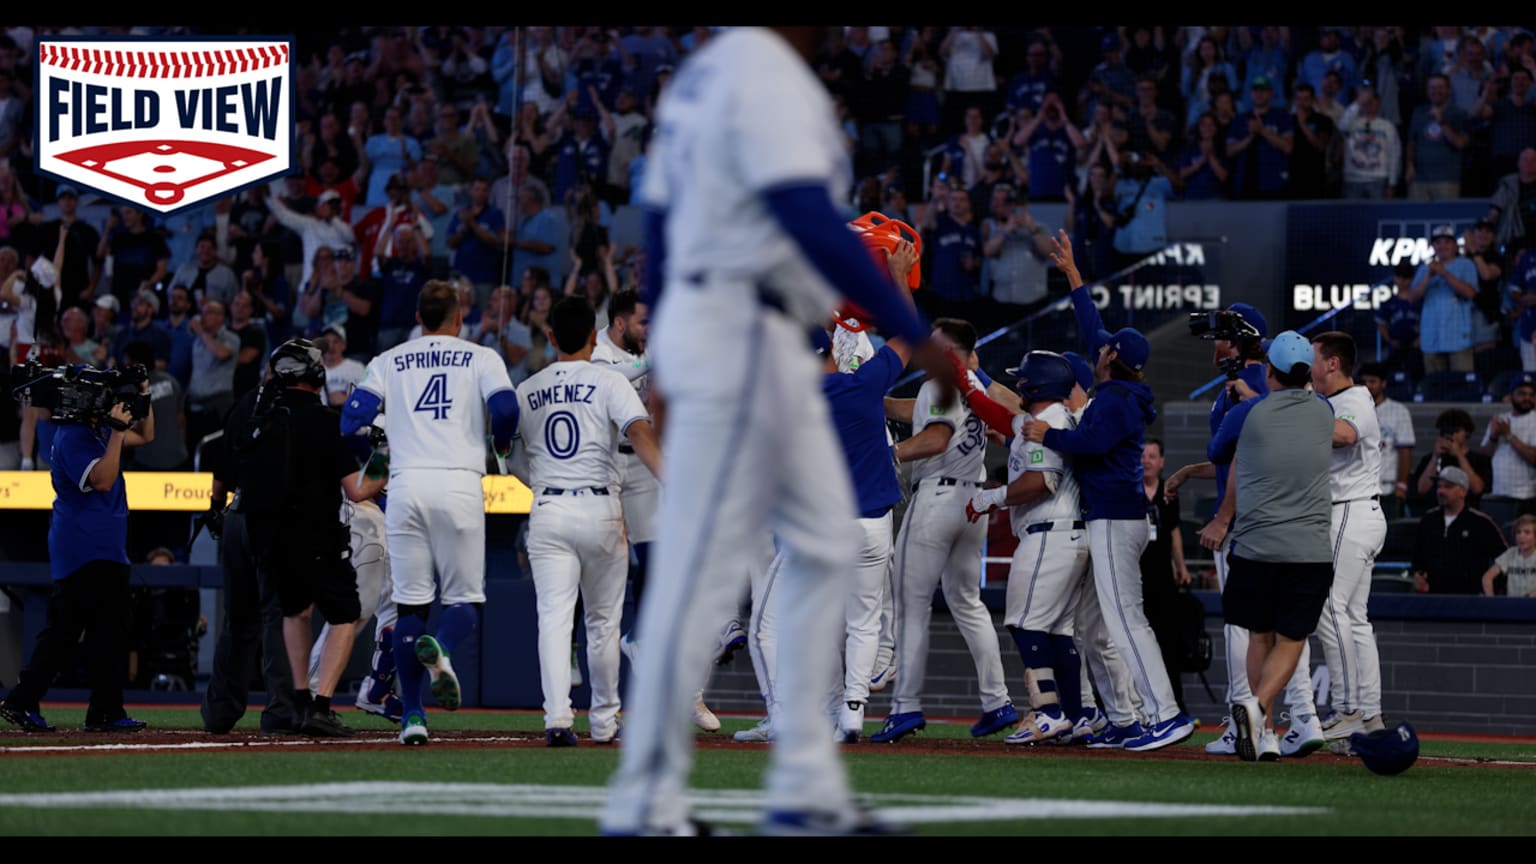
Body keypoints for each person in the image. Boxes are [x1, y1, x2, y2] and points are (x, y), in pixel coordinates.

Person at [601, 26, 933, 837]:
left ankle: (803, 786)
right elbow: (811, 223)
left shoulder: (702, 88)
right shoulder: (766, 79)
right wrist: (899, 310)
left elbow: (664, 225)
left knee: (815, 542)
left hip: (726, 325)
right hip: (741, 333)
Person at [1012, 230, 1195, 751]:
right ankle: (1122, 718)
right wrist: (1072, 273)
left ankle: (1164, 715)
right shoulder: (1117, 380)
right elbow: (1091, 323)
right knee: (1096, 625)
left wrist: (1049, 434)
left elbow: (1089, 442)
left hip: (1116, 519)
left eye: (1105, 347)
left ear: (1112, 358)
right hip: (1111, 518)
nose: (1099, 345)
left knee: (1125, 620)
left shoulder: (1116, 398)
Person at [341, 280, 520, 746]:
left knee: (409, 606)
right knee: (462, 601)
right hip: (458, 482)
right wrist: (499, 444)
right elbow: (505, 408)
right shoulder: (481, 355)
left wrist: (384, 439)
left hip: (404, 487)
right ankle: (440, 647)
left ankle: (413, 716)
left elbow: (350, 419)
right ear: (458, 317)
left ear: (419, 317)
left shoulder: (388, 359)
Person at [512, 295, 662, 746]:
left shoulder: (527, 389)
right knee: (603, 623)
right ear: (594, 337)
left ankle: (557, 719)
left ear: (551, 335)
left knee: (554, 619)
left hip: (549, 509)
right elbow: (638, 433)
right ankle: (603, 721)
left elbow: (511, 458)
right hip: (600, 507)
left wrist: (540, 483)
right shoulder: (608, 380)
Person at [871, 317, 1019, 745]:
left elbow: (934, 438)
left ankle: (905, 708)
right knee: (967, 602)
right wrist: (873, 400)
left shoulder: (943, 382)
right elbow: (917, 411)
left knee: (911, 604)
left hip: (936, 499)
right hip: (971, 502)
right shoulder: (971, 385)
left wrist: (891, 452)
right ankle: (997, 701)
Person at [234, 340, 384, 737]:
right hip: (317, 533)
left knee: (294, 612)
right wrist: (386, 458)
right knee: (344, 613)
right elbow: (357, 489)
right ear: (315, 375)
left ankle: (299, 700)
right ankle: (319, 704)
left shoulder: (261, 418)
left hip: (269, 536)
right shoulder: (322, 420)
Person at [0, 362, 153, 733]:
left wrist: (143, 393)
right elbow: (101, 480)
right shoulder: (72, 436)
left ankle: (102, 709)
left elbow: (146, 435)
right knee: (69, 632)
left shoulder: (95, 431)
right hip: (85, 548)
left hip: (101, 547)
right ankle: (30, 701)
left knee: (101, 631)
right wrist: (116, 433)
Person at [1208, 331, 1335, 762]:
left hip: (1256, 546)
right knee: (1292, 638)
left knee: (1259, 635)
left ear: (1267, 370)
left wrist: (1244, 400)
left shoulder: (1250, 413)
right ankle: (1259, 711)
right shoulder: (1323, 411)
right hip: (1309, 550)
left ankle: (1262, 727)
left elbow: (1217, 449)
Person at [959, 350, 1093, 745]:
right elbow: (998, 416)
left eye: (1022, 380)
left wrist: (992, 497)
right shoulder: (1047, 420)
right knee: (1057, 631)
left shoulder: (1046, 422)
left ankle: (1049, 712)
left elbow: (1039, 482)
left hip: (1050, 533)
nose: (1017, 385)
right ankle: (1076, 714)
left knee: (1025, 624)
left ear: (1035, 386)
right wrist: (968, 378)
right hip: (1067, 534)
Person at [1308, 332, 1387, 751]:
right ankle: (1370, 714)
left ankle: (1349, 710)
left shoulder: (1353, 398)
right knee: (1355, 617)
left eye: (1314, 357)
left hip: (1350, 510)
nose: (1309, 364)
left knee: (1330, 607)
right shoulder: (1336, 400)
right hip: (1360, 512)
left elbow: (1345, 436)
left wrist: (1301, 407)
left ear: (1332, 363)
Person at [1412, 466, 1507, 594]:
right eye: (1439, 486)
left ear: (1463, 492)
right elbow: (1417, 559)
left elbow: (1505, 559)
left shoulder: (1481, 523)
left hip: (1470, 599)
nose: (1441, 491)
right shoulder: (1428, 521)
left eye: (1447, 487)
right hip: (1432, 599)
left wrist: (1489, 590)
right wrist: (1417, 575)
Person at [1406, 224, 1479, 373]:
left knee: (1461, 389)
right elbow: (1412, 298)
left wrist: (1444, 273)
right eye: (1438, 242)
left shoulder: (1466, 264)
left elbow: (1471, 293)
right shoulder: (1425, 269)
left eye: (1447, 242)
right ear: (1433, 246)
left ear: (1454, 245)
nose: (1443, 246)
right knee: (1435, 388)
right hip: (1431, 337)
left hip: (1459, 337)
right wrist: (1428, 275)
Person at [1358, 362, 1415, 519]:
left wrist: (1402, 486)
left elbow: (1405, 451)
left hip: (1387, 488)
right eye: (1364, 382)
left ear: (1383, 383)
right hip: (1358, 490)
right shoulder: (1353, 409)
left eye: (1372, 382)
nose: (1367, 386)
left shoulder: (1399, 410)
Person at [1480, 373, 1536, 509]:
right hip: (1499, 491)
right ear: (1511, 397)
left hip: (1525, 495)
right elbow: (1485, 456)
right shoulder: (1500, 419)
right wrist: (1493, 437)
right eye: (1522, 394)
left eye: (1531, 395)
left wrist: (1509, 435)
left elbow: (1534, 457)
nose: (1527, 398)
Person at [1483, 514, 1536, 596]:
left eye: (1527, 532)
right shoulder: (1510, 553)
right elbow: (1487, 577)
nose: (1521, 536)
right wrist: (1491, 600)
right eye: (1518, 532)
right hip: (1512, 605)